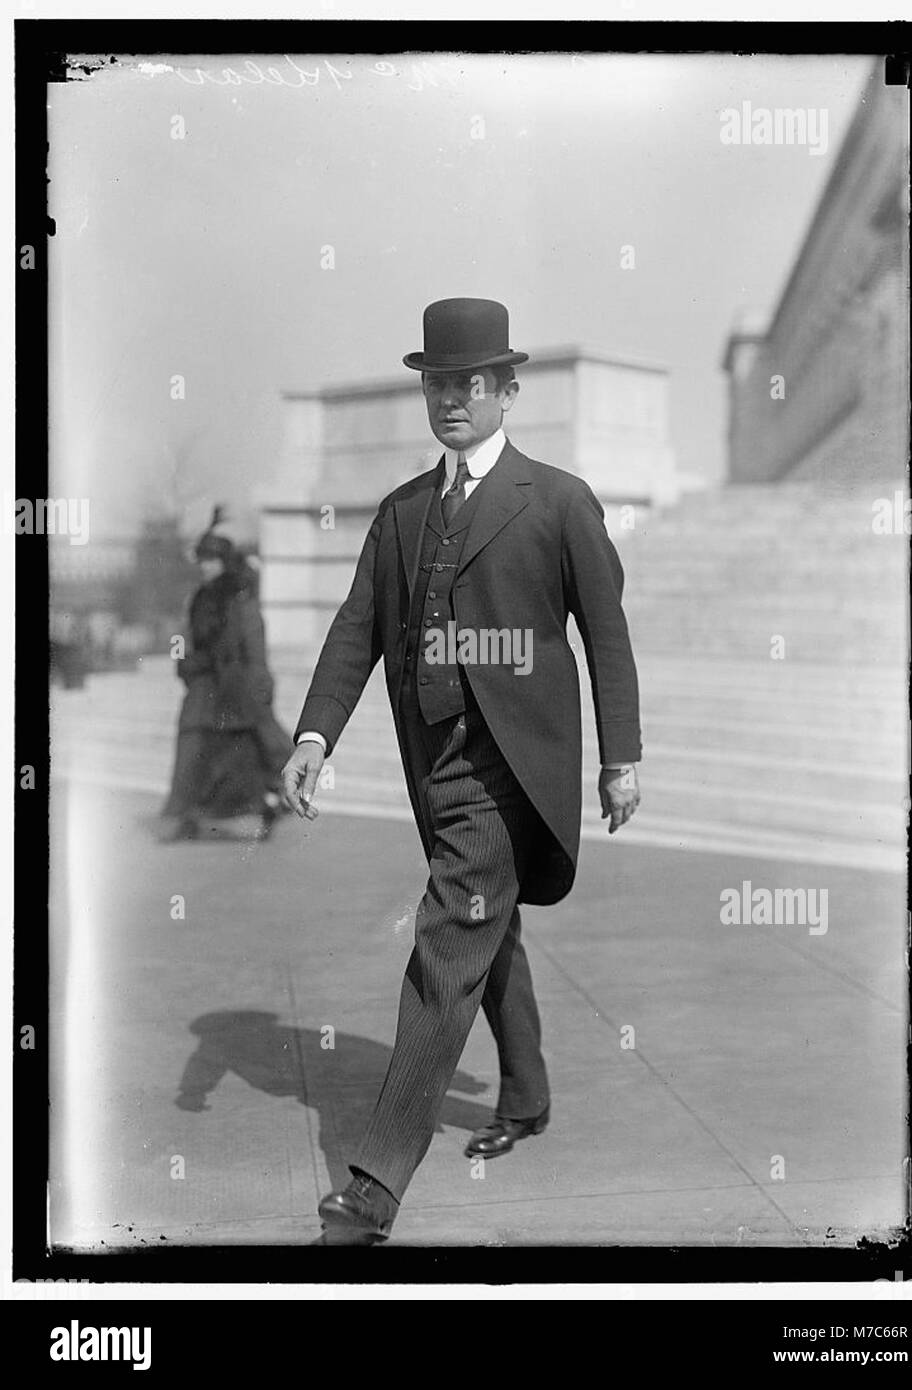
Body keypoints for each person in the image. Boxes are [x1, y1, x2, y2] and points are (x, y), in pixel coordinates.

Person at [282, 299, 642, 1243]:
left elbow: (606, 636)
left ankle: (375, 1187)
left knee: (446, 951)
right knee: (490, 924)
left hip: (513, 769)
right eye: (439, 383)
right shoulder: (404, 510)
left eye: (472, 383)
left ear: (508, 393)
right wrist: (315, 736)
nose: (452, 399)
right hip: (433, 764)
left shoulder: (557, 501)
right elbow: (356, 627)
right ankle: (526, 1093)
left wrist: (622, 757)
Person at [159, 509, 292, 843]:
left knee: (242, 757)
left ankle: (264, 805)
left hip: (236, 688)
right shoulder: (199, 598)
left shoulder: (239, 597)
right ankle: (187, 814)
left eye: (212, 560)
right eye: (203, 560)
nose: (205, 566)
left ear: (224, 562)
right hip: (204, 686)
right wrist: (185, 663)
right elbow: (185, 639)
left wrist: (258, 686)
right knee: (192, 747)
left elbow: (254, 645)